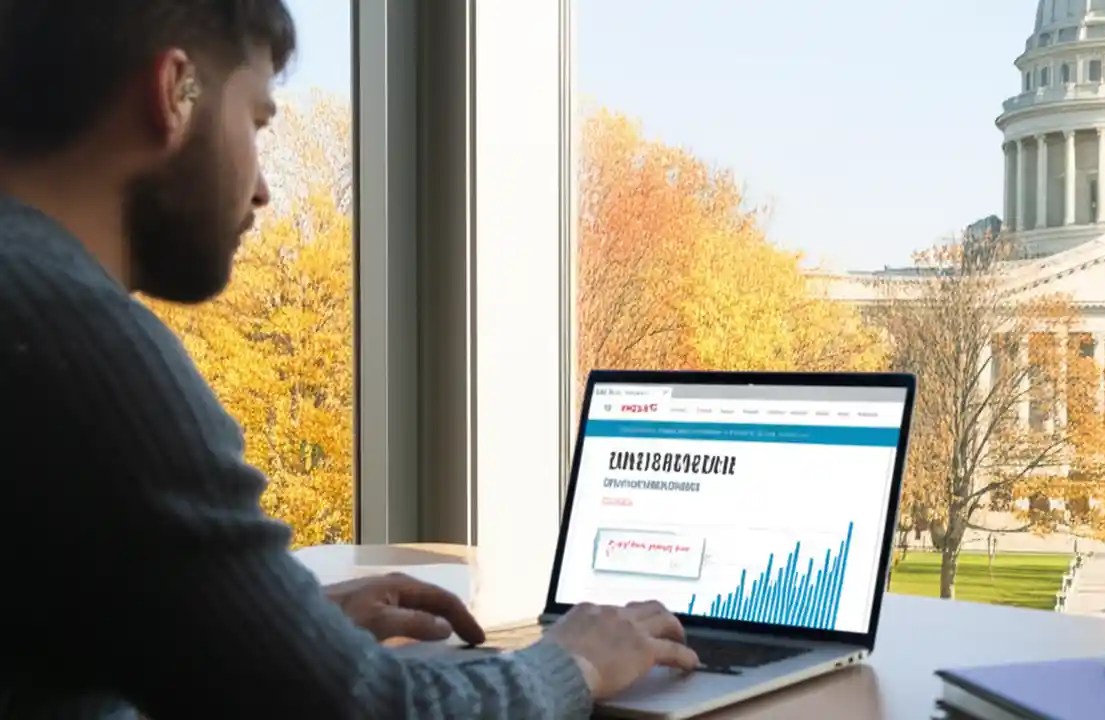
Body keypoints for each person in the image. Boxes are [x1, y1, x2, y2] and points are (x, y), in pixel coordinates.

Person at [0, 1, 698, 718]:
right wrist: (576, 663)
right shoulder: (77, 341)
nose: (264, 188)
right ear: (174, 91)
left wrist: (282, 628)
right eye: (258, 122)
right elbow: (367, 712)